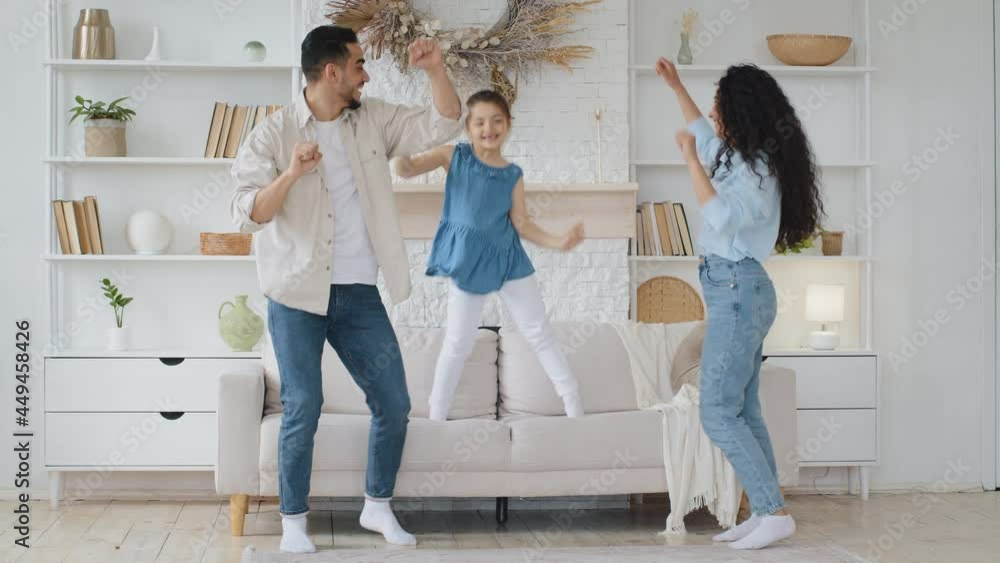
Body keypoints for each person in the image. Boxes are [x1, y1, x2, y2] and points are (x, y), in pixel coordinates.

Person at [230, 25, 464, 553]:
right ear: (332, 72)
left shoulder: (374, 118)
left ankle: (377, 506)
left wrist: (435, 70)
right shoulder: (273, 132)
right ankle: (293, 521)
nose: (366, 73)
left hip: (358, 293)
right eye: (359, 63)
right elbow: (249, 214)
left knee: (393, 401)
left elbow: (443, 122)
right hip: (296, 296)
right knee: (303, 405)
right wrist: (290, 174)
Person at [656, 58, 824, 550]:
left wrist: (688, 159)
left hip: (737, 290)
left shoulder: (755, 171)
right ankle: (769, 510)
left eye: (719, 105)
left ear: (742, 112)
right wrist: (675, 85)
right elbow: (701, 132)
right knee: (744, 411)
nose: (713, 113)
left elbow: (723, 218)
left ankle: (772, 512)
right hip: (734, 290)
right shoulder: (738, 157)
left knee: (717, 413)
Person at [394, 90, 586, 422]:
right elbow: (407, 168)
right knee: (457, 342)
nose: (488, 128)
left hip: (508, 259)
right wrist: (397, 147)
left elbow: (521, 223)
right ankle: (436, 416)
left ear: (508, 125)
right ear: (468, 127)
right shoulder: (454, 156)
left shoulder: (513, 174)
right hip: (468, 260)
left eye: (497, 121)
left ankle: (573, 405)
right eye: (480, 121)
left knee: (539, 332)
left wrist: (558, 242)